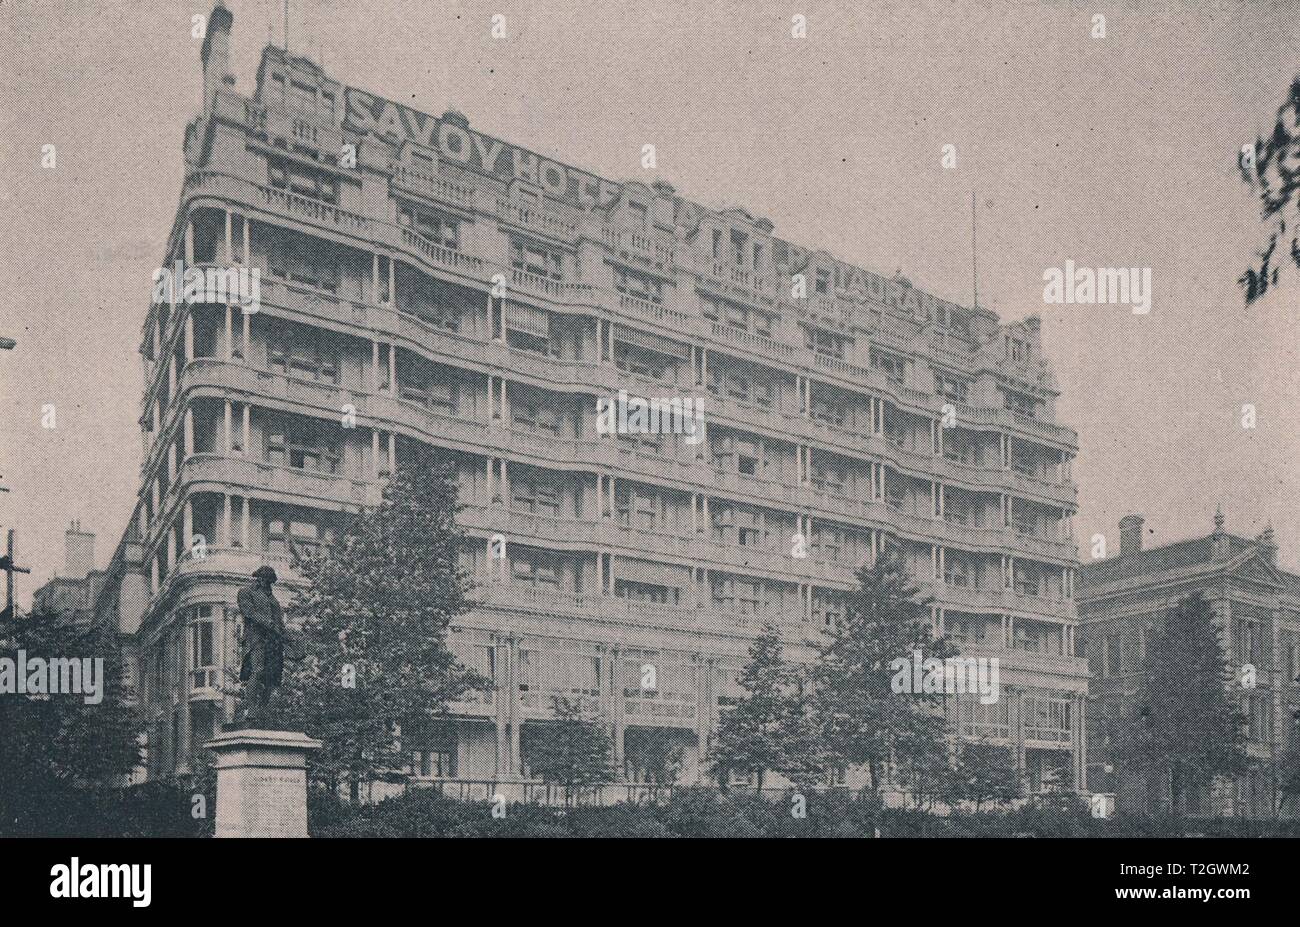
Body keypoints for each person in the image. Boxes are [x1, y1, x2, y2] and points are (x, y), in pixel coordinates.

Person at [236, 566, 284, 726]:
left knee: (272, 677)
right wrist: (268, 623)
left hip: (273, 640)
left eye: (270, 581)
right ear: (259, 578)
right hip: (255, 637)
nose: (267, 584)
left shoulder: (273, 599)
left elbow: (279, 622)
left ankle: (263, 710)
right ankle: (251, 710)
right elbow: (248, 612)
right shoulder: (246, 592)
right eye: (265, 580)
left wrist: (288, 638)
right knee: (257, 670)